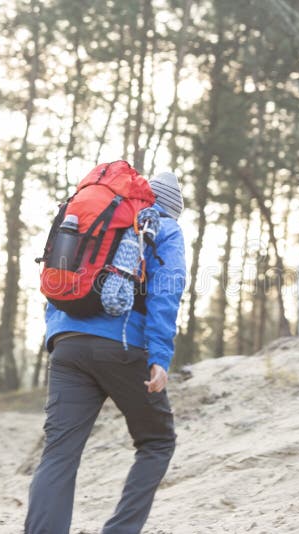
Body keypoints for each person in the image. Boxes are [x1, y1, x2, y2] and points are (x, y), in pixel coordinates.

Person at [25, 171, 186, 533]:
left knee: (59, 454)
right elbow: (166, 294)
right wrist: (160, 357)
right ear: (172, 210)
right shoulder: (165, 229)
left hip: (66, 345)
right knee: (157, 441)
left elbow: (59, 280)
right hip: (123, 346)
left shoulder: (92, 221)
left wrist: (58, 336)